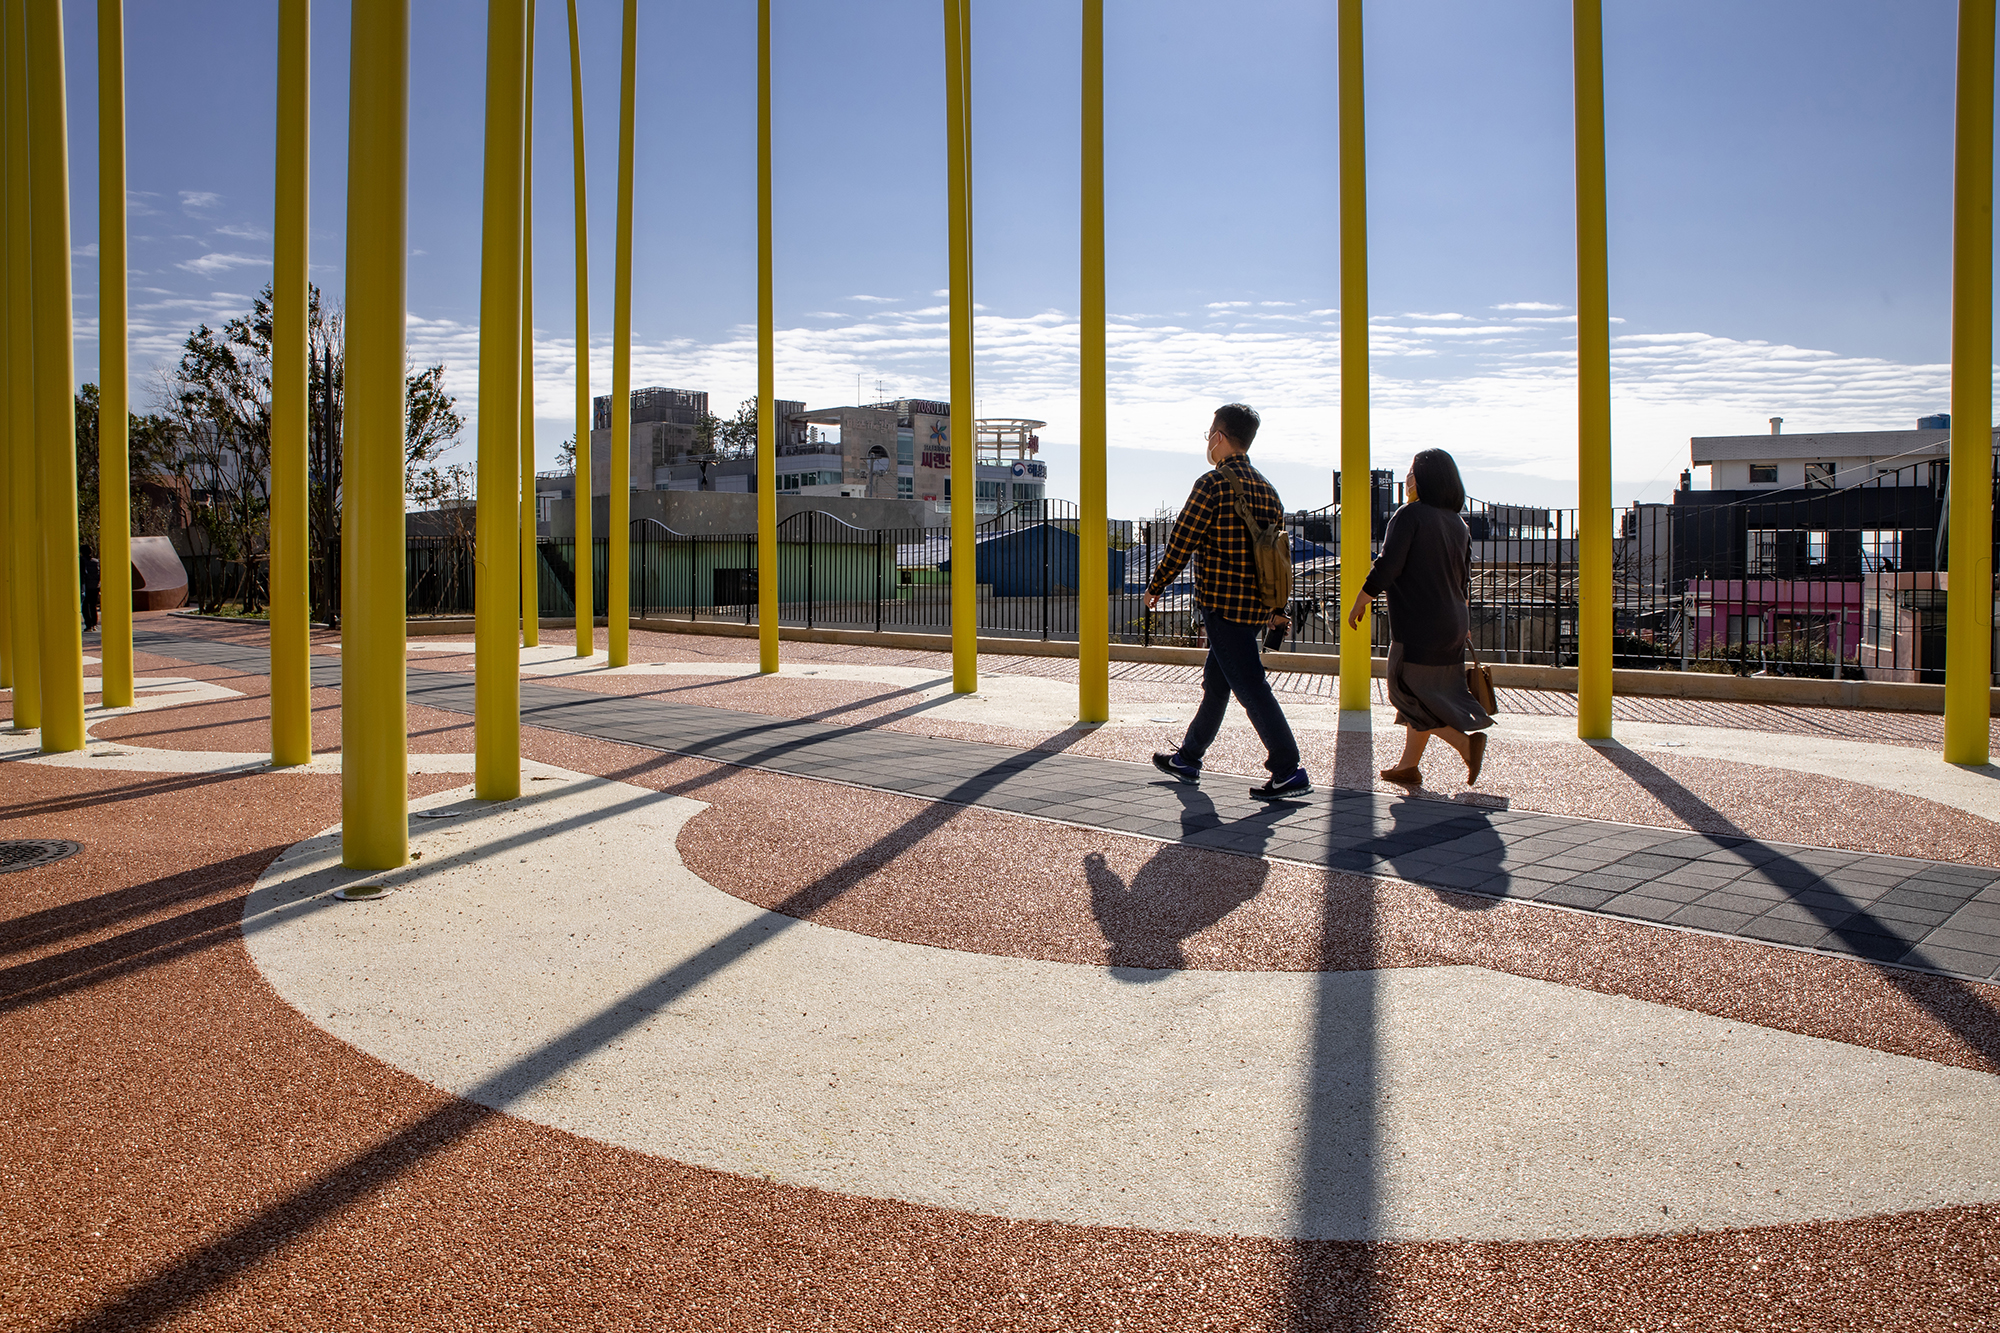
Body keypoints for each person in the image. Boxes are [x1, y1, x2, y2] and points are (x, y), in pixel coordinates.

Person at [1144, 403, 1310, 799]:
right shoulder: (1269, 490)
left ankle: (1288, 768)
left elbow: (1182, 539)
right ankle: (1188, 757)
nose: (1208, 443)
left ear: (1218, 437)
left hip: (1222, 604)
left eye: (1209, 435)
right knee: (1217, 683)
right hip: (1255, 607)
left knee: (1251, 685)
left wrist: (1157, 584)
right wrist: (1275, 609)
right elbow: (1276, 556)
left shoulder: (1212, 484)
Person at [1346, 448, 1494, 786]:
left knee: (1404, 689)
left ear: (1426, 478)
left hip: (1420, 624)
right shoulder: (1458, 524)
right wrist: (1465, 622)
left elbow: (1389, 564)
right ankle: (1408, 767)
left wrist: (1362, 598)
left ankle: (1465, 743)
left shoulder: (1409, 515)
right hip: (1454, 622)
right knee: (1425, 692)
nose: (1408, 478)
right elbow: (1463, 578)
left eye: (1412, 472)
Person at [79, 543, 100, 633]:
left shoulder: (81, 561)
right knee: (93, 606)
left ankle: (88, 625)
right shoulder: (95, 562)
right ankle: (94, 624)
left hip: (85, 587)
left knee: (85, 606)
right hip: (95, 587)